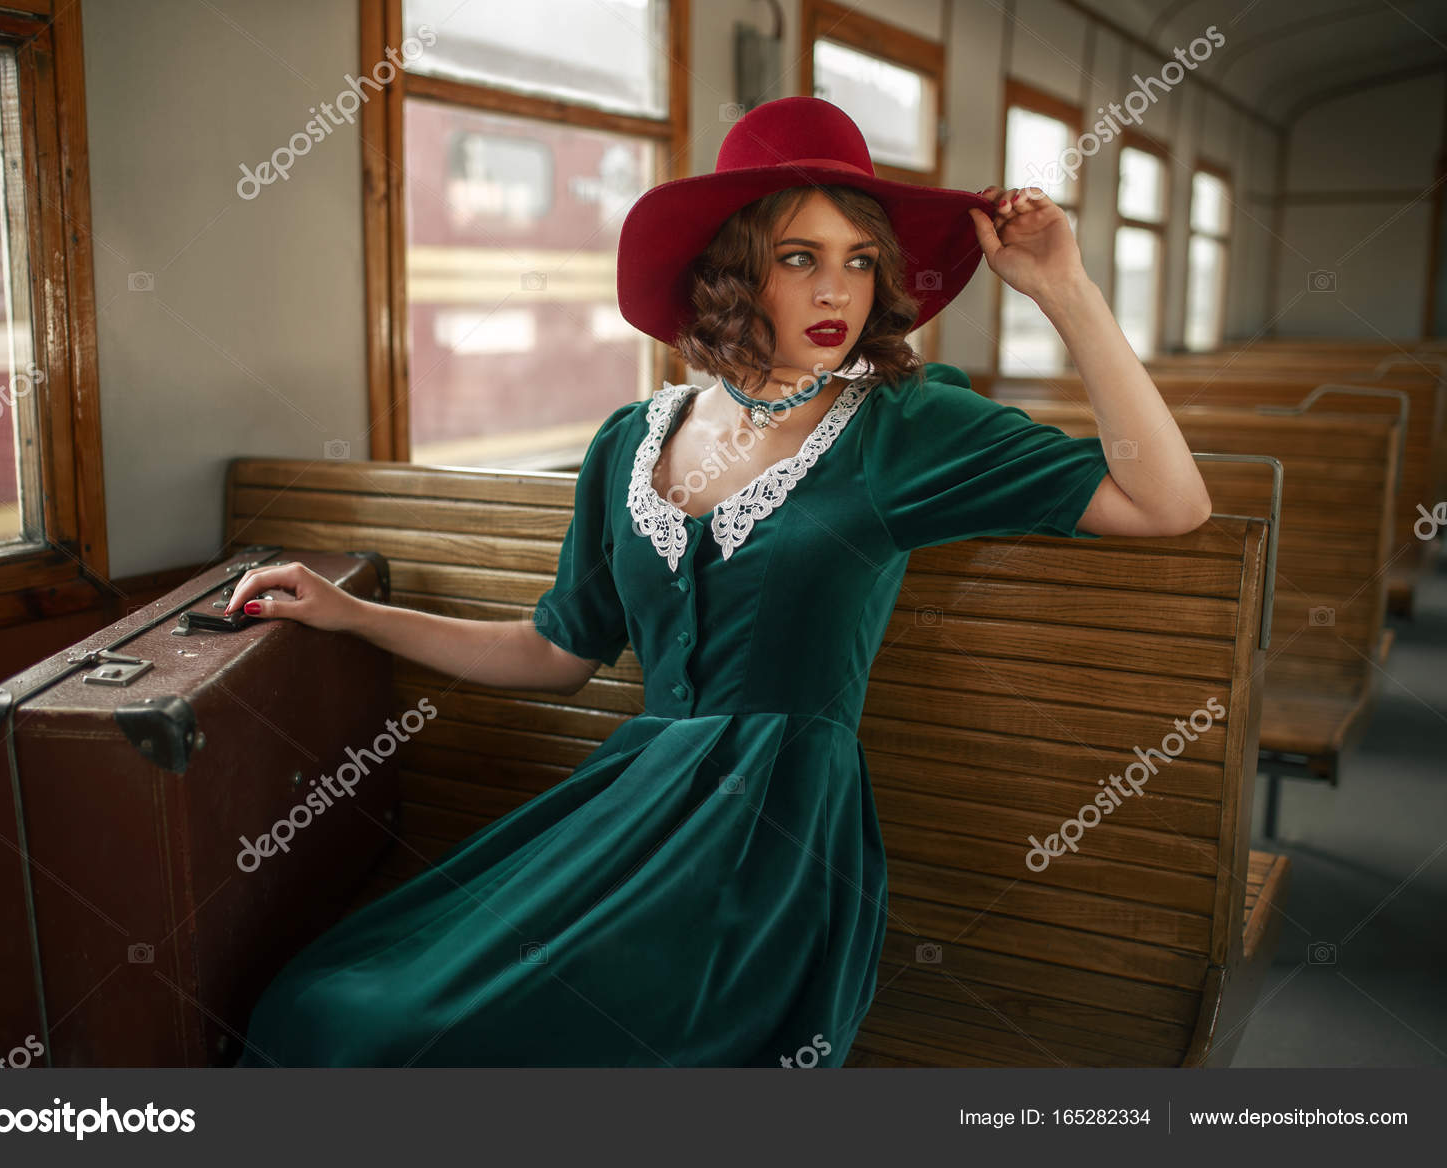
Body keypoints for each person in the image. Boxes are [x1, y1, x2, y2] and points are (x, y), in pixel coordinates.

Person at [223, 96, 1211, 1068]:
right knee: (332, 1007)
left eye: (859, 260)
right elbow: (554, 652)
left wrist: (1065, 292)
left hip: (771, 854)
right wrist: (351, 613)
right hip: (628, 817)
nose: (837, 292)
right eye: (800, 258)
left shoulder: (906, 426)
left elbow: (1167, 502)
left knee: (427, 1042)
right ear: (732, 273)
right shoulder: (630, 439)